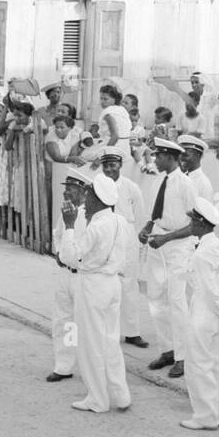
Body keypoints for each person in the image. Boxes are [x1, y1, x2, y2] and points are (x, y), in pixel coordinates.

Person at [150, 197, 219, 430]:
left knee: (198, 366)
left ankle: (205, 417)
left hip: (205, 312)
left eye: (192, 221)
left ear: (200, 223)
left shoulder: (202, 254)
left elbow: (210, 290)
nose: (190, 225)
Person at [61, 172, 131, 414]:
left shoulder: (96, 227)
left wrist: (69, 227)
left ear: (98, 199)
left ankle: (97, 399)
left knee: (91, 344)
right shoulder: (119, 221)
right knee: (110, 341)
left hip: (93, 284)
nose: (86, 198)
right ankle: (121, 395)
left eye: (89, 194)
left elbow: (70, 256)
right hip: (112, 283)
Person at [138, 137, 198, 378]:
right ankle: (167, 350)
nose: (155, 159)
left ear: (171, 157)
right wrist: (146, 228)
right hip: (157, 243)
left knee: (177, 301)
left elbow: (196, 224)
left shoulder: (185, 184)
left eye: (159, 156)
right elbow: (155, 214)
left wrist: (168, 238)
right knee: (156, 299)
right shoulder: (157, 181)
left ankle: (183, 357)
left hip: (178, 247)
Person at [99, 149, 149, 348]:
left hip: (127, 235)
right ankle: (105, 331)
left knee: (129, 284)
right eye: (106, 165)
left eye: (113, 165)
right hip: (105, 233)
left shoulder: (131, 187)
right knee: (104, 283)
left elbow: (140, 217)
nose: (109, 169)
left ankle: (131, 332)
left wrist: (138, 244)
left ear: (120, 165)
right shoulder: (96, 186)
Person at [46, 167, 90, 383]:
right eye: (66, 189)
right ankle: (64, 366)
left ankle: (90, 368)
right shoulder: (66, 210)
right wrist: (58, 252)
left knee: (84, 322)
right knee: (64, 321)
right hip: (63, 273)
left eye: (71, 189)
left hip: (81, 275)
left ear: (83, 191)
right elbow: (57, 234)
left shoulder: (89, 215)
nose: (66, 193)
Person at [96, 82, 132, 166]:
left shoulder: (108, 113)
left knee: (85, 154)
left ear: (114, 100)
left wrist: (101, 157)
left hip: (114, 148)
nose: (102, 101)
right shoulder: (122, 110)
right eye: (101, 98)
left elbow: (115, 136)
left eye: (105, 99)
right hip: (125, 148)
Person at [177, 133, 213, 207]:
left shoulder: (203, 184)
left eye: (185, 155)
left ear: (198, 155)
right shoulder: (181, 178)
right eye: (180, 154)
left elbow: (203, 214)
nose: (181, 158)